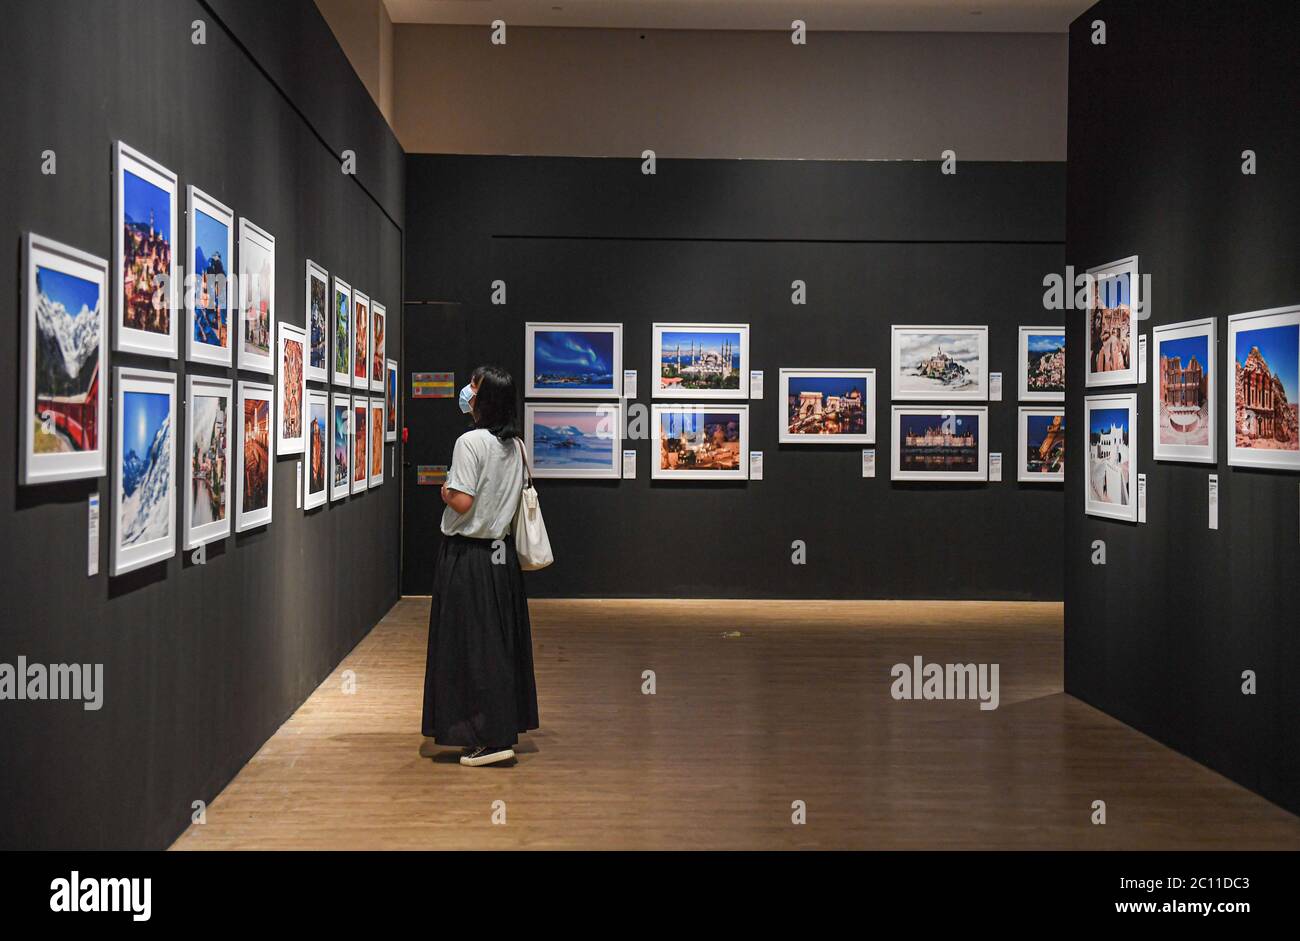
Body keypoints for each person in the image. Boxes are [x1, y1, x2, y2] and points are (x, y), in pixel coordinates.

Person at [422, 365, 540, 766]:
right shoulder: (518, 446)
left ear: (484, 398)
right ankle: (501, 728)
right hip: (501, 560)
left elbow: (463, 501)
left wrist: (444, 490)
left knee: (468, 648)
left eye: (473, 386)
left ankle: (486, 737)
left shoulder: (469, 442)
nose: (466, 392)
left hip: (468, 557)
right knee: (497, 647)